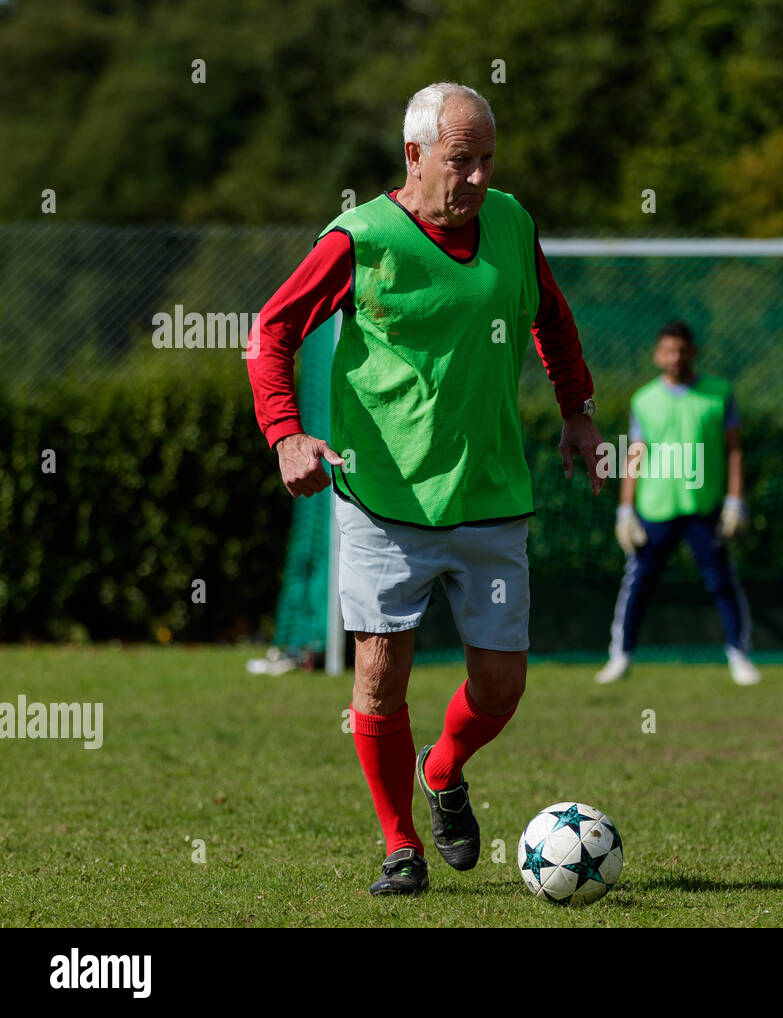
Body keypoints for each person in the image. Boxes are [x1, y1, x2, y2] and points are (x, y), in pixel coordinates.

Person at [248, 82, 604, 895]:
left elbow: (552, 317)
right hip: (381, 496)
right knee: (379, 673)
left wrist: (578, 413)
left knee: (503, 685)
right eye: (460, 160)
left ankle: (443, 769)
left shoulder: (511, 223)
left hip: (491, 491)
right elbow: (271, 329)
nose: (478, 177)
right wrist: (286, 432)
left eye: (486, 159)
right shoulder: (360, 239)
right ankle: (400, 844)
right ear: (413, 156)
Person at [595, 321, 760, 686]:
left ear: (693, 351)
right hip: (655, 507)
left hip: (704, 506)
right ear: (657, 355)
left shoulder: (719, 393)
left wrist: (736, 499)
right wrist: (626, 509)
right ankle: (620, 656)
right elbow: (635, 455)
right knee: (638, 583)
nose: (675, 357)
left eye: (682, 350)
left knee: (721, 581)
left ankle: (739, 655)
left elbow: (734, 451)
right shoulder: (644, 399)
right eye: (668, 350)